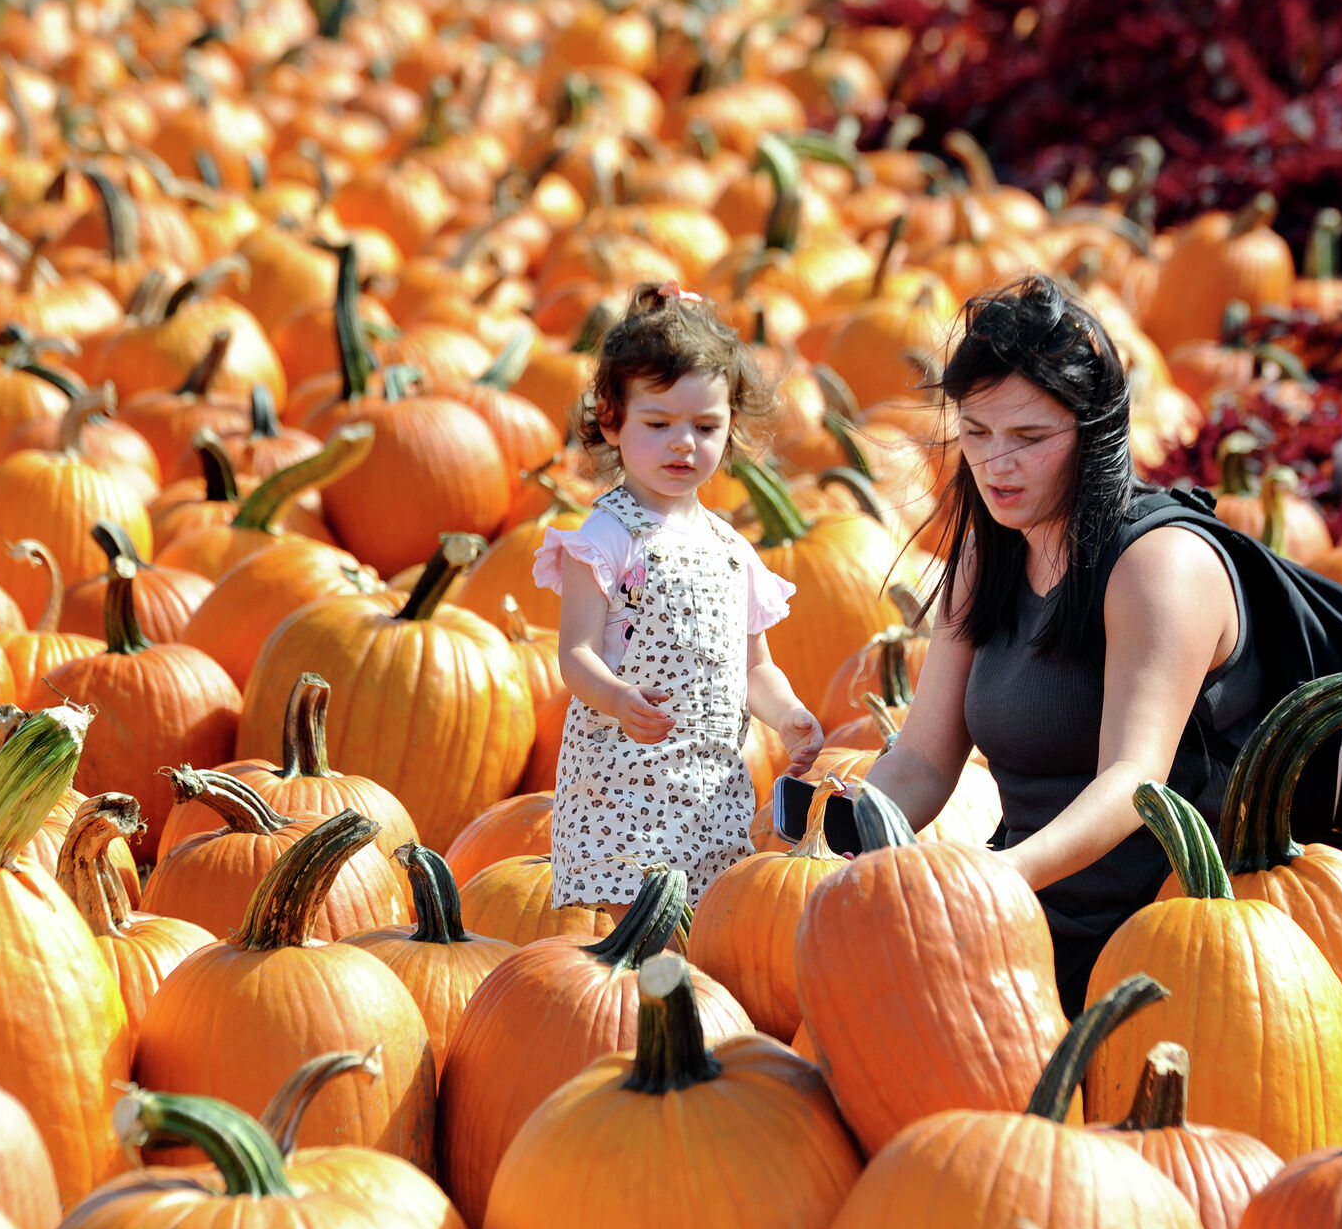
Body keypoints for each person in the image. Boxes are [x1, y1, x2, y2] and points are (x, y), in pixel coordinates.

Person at [860, 273, 1268, 1016]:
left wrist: (997, 879)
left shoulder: (1159, 565)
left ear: (1095, 432)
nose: (995, 464)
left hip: (1166, 947)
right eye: (976, 434)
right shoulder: (989, 556)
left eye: (1029, 438)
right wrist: (843, 838)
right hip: (1021, 921)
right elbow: (921, 758)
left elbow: (1131, 782)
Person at [533, 280, 825, 907]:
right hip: (624, 790)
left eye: (705, 426)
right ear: (611, 423)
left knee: (708, 937)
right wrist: (617, 697)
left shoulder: (732, 550)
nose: (683, 443)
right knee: (633, 941)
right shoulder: (605, 536)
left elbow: (755, 666)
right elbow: (574, 655)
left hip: (712, 793)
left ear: (730, 429)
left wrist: (789, 716)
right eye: (658, 423)